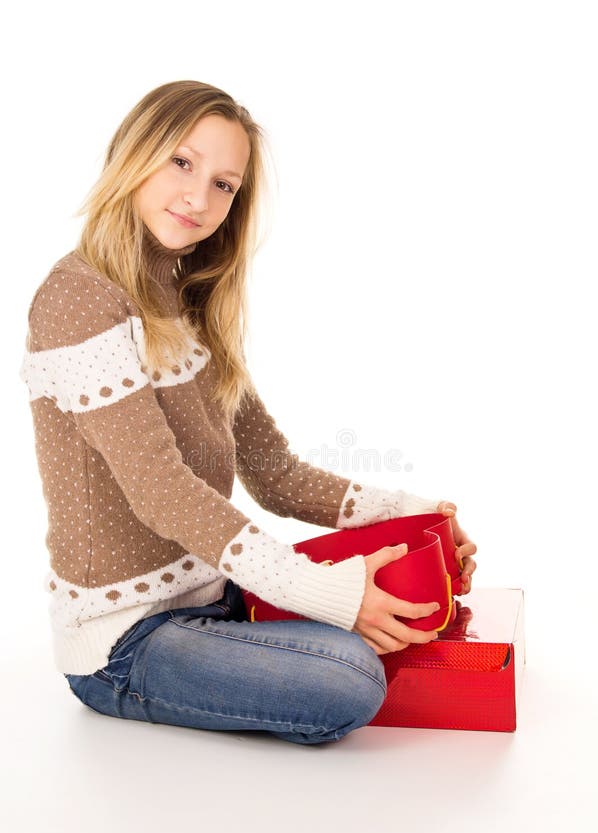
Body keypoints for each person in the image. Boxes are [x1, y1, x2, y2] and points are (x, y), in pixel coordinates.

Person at [19, 79, 477, 745]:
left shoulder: (189, 300)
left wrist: (414, 514)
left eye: (223, 185)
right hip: (124, 644)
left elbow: (275, 472)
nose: (197, 198)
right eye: (182, 163)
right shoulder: (80, 298)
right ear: (133, 151)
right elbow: (160, 493)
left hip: (215, 597)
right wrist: (334, 598)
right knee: (350, 677)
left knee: (387, 591)